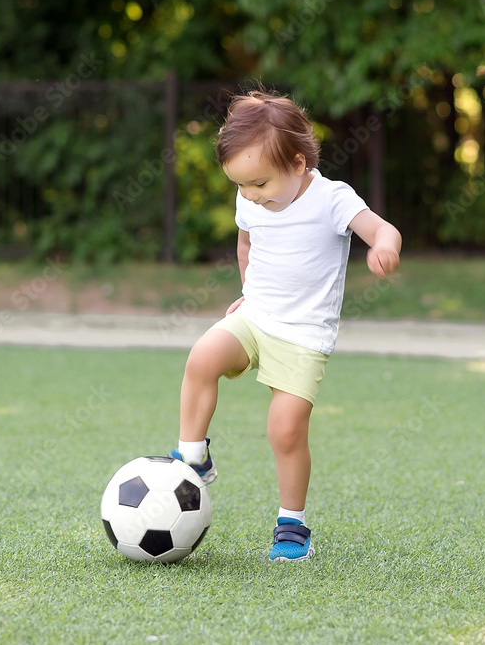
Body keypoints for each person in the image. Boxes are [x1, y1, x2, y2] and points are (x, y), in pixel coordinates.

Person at [169, 91, 402, 561]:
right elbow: (246, 246)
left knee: (286, 429)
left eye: (259, 183)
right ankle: (192, 454)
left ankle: (291, 524)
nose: (251, 195)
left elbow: (381, 229)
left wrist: (383, 247)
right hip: (255, 315)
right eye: (241, 186)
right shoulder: (250, 198)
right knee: (202, 358)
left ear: (297, 164)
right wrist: (247, 292)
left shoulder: (331, 198)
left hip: (302, 335)